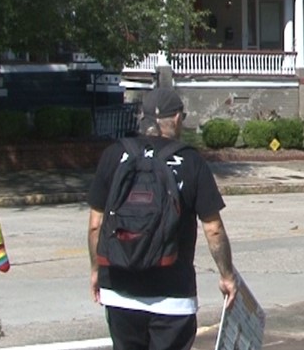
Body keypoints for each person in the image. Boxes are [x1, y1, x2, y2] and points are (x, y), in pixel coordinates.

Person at [87, 88, 237, 350]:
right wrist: (227, 275)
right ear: (177, 118)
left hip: (120, 289)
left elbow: (95, 225)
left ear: (143, 118)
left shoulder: (114, 155)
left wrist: (96, 270)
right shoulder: (191, 161)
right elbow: (213, 230)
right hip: (173, 296)